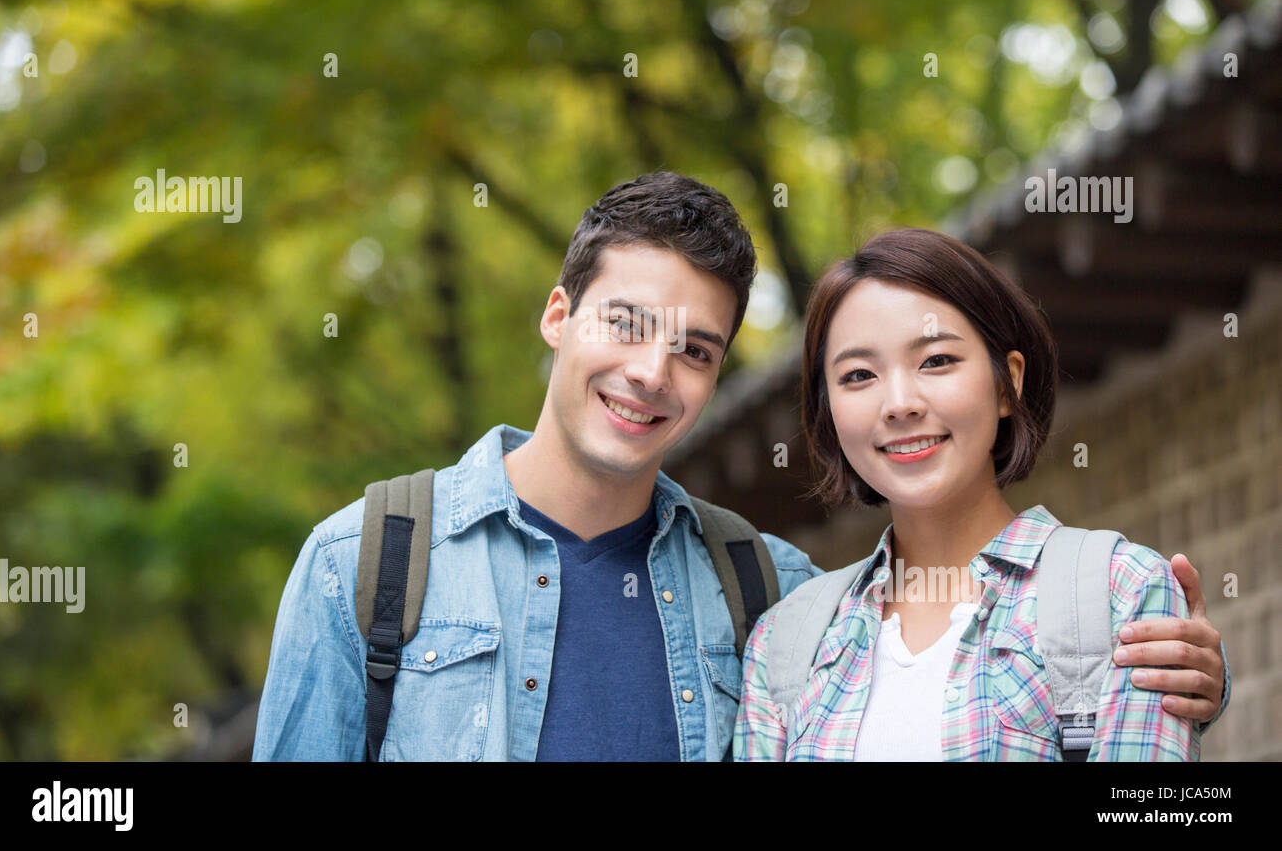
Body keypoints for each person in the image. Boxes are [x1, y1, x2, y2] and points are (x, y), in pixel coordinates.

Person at [254, 177, 1228, 761]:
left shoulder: (762, 595)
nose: (650, 371)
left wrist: (1173, 683)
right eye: (624, 323)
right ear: (558, 315)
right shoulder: (370, 562)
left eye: (694, 348)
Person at [734, 227, 1225, 760]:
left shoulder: (1122, 593)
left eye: (936, 361)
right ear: (827, 411)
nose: (900, 403)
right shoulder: (784, 644)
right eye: (858, 375)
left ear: (1006, 384)